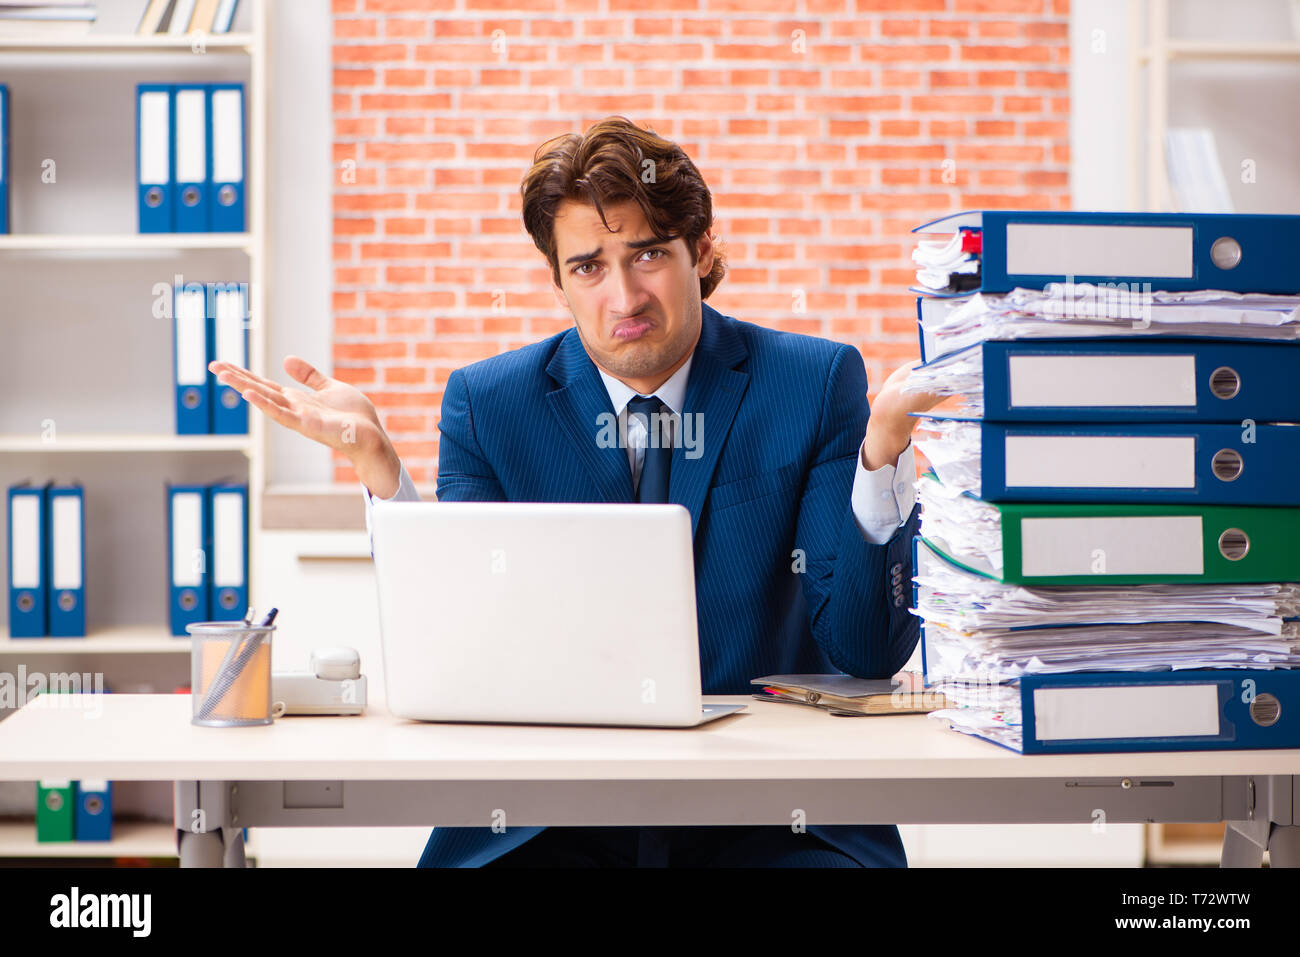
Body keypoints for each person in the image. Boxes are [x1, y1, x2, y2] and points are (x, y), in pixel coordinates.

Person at [211, 115, 943, 867]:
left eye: (648, 254)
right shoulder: (490, 405)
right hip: (543, 816)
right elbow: (460, 646)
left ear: (703, 250)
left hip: (770, 814)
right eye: (589, 266)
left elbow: (864, 654)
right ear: (558, 282)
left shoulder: (812, 384)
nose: (624, 296)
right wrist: (378, 466)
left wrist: (882, 456)